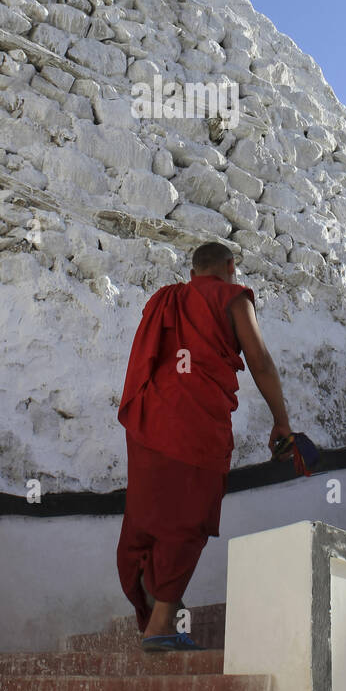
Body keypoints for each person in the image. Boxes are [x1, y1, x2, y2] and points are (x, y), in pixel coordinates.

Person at [116, 240, 291, 650]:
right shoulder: (232, 297)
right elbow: (260, 361)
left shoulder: (166, 299)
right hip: (195, 424)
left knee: (152, 514)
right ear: (231, 266)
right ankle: (160, 624)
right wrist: (281, 420)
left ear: (193, 273)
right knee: (190, 515)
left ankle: (168, 610)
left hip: (148, 422)